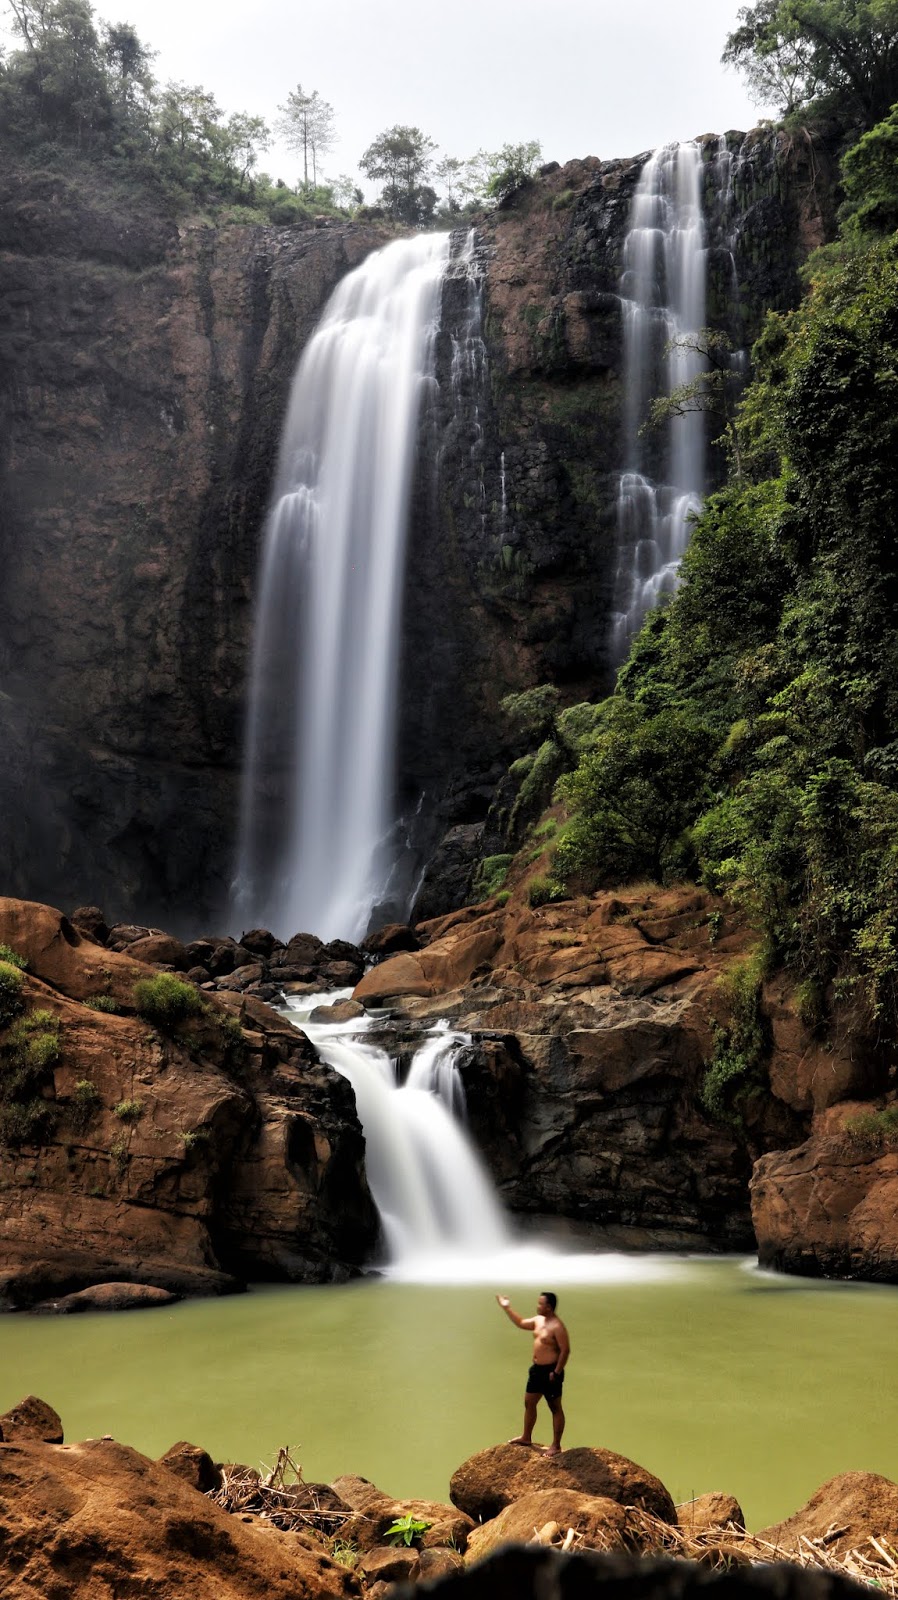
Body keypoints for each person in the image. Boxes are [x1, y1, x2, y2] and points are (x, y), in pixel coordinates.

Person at [496, 1290, 570, 1455]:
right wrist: (507, 1308)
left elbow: (565, 1351)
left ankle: (556, 1445)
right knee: (529, 1402)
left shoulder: (557, 1327)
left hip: (551, 1371)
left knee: (555, 1407)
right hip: (536, 1371)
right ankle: (526, 1436)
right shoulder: (538, 1321)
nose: (537, 1306)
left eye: (540, 1304)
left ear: (549, 1307)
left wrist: (556, 1372)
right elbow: (521, 1323)